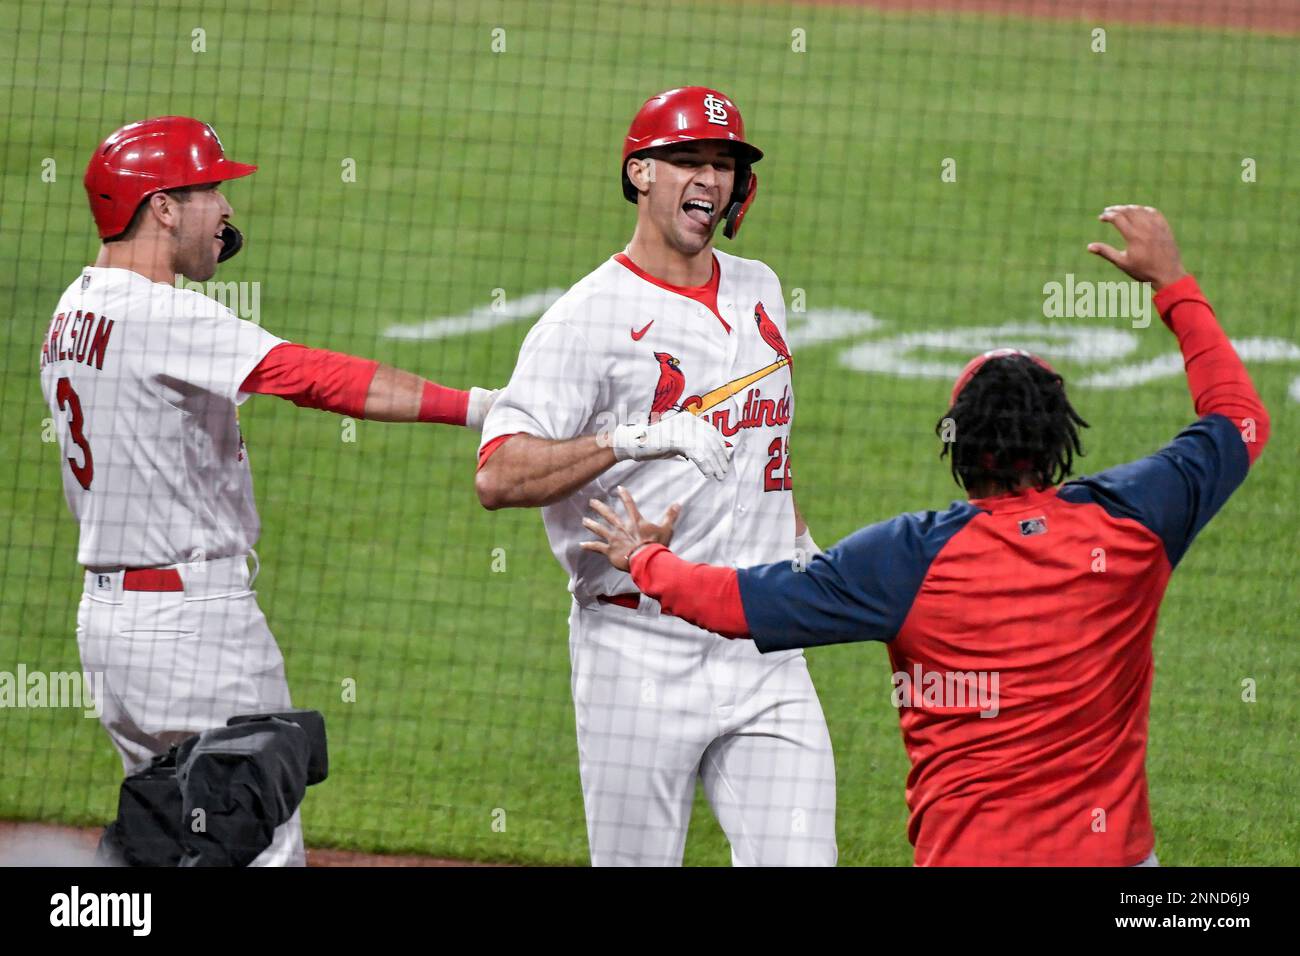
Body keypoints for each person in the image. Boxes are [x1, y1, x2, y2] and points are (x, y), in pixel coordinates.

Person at [581, 206, 1270, 866]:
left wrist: (646, 558)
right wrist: (1173, 283)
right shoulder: (1134, 519)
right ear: (1061, 438)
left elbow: (735, 604)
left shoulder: (904, 560)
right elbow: (1240, 419)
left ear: (958, 445)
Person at [40, 116, 496, 866]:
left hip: (113, 632)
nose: (225, 209)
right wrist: (479, 406)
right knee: (258, 848)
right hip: (194, 632)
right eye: (211, 190)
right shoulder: (161, 313)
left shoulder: (71, 311)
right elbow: (314, 378)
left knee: (172, 843)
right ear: (161, 207)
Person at [476, 88, 837, 866]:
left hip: (761, 634)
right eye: (689, 161)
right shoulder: (588, 319)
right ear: (640, 173)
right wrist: (628, 439)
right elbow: (499, 473)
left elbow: (763, 442)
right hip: (638, 645)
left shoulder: (760, 287)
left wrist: (803, 545)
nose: (710, 178)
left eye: (725, 163)